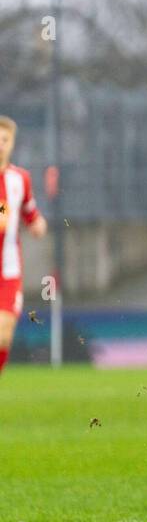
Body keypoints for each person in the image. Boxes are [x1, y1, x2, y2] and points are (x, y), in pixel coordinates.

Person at [0, 116, 48, 378]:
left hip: (8, 270)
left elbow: (29, 212)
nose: (0, 145)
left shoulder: (20, 179)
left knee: (4, 335)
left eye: (5, 140)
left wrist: (38, 223)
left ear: (12, 144)